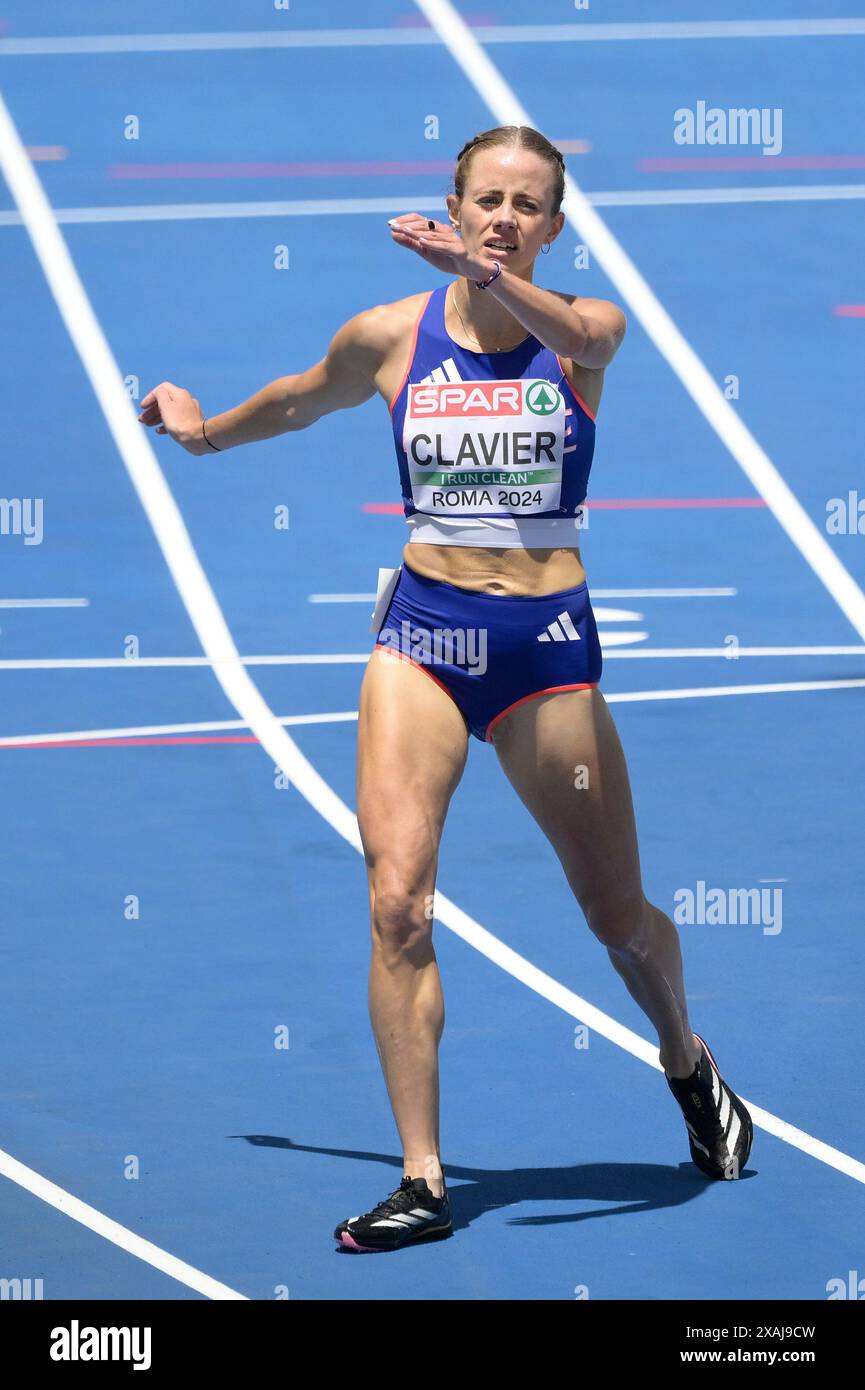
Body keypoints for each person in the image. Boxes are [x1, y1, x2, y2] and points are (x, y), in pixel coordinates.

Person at [139, 124, 753, 1257]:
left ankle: (685, 1058)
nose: (506, 216)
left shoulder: (586, 336)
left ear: (553, 227)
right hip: (425, 635)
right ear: (454, 203)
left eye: (528, 205)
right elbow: (297, 399)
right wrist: (203, 436)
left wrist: (490, 281)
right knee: (394, 901)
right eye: (487, 200)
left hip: (544, 650)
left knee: (615, 917)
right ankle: (423, 1177)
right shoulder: (389, 337)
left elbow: (572, 324)